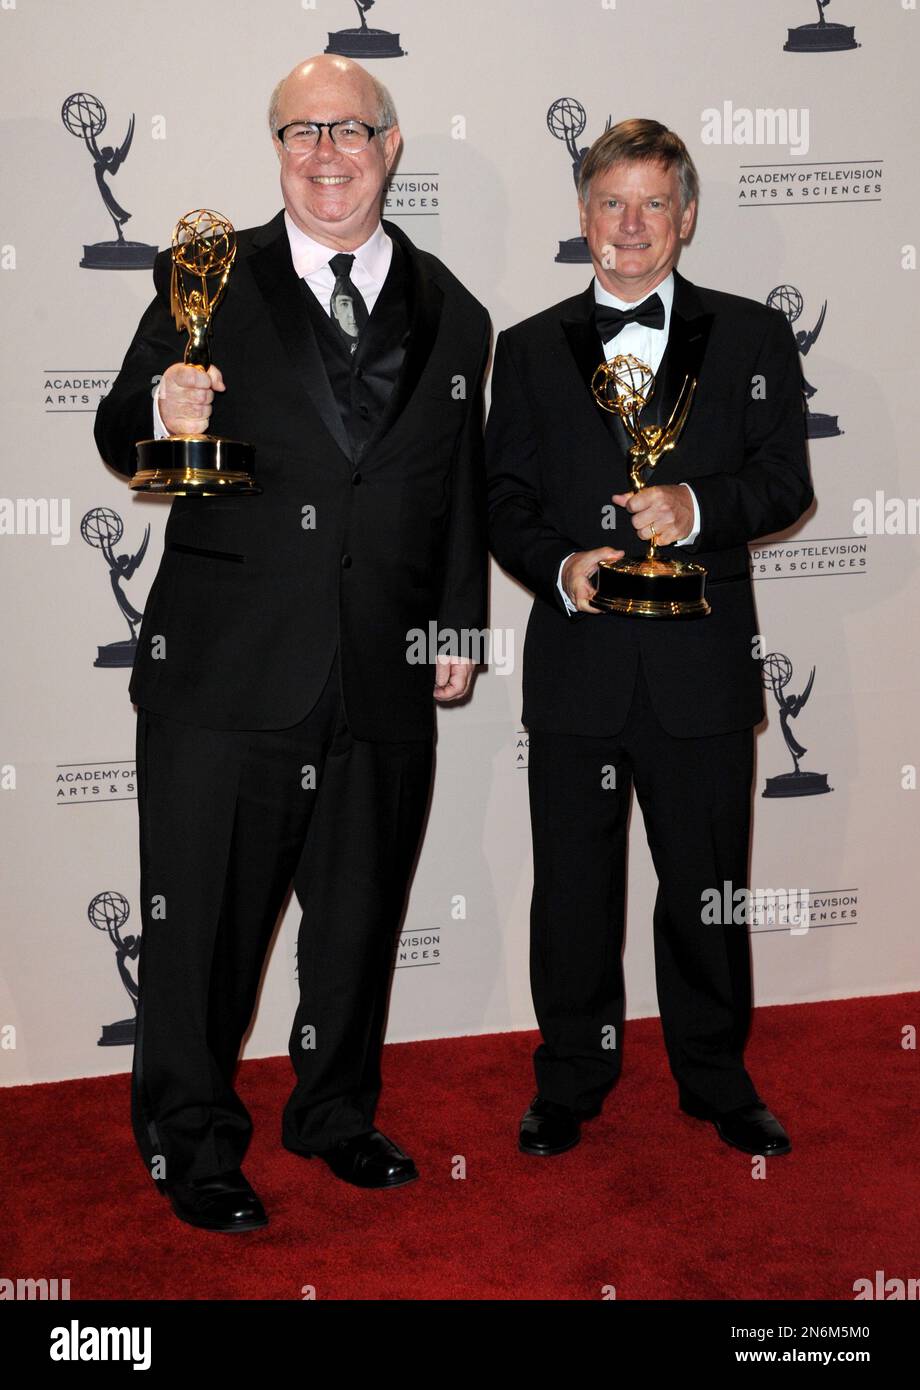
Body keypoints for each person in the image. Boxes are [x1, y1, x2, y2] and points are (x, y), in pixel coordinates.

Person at [95, 54, 490, 1232]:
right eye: (299, 132)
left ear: (392, 143)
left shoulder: (454, 308)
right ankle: (194, 1137)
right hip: (227, 669)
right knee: (202, 922)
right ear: (276, 149)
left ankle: (331, 1112)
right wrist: (163, 414)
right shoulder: (203, 276)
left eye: (349, 131)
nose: (326, 153)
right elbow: (123, 425)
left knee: (358, 916)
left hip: (378, 666)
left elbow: (454, 483)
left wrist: (459, 616)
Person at [484, 119, 812, 1161]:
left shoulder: (751, 337)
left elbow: (783, 482)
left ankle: (715, 1077)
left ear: (687, 215)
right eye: (610, 203)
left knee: (705, 888)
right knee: (572, 890)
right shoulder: (527, 345)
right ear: (582, 215)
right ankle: (570, 1079)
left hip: (698, 666)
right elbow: (502, 497)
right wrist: (557, 565)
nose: (630, 225)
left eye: (652, 203)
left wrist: (694, 503)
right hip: (579, 663)